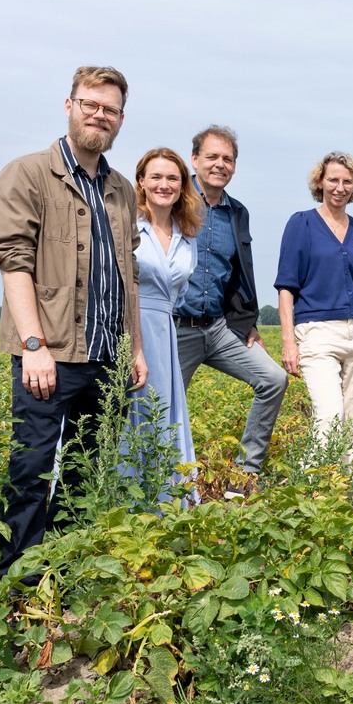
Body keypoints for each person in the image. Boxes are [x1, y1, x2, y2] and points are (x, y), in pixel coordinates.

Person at [0, 65, 146, 579]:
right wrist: (33, 344)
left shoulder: (122, 189)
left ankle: (60, 568)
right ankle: (18, 581)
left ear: (121, 119)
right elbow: (14, 262)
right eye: (90, 105)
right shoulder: (28, 174)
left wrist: (135, 349)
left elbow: (129, 277)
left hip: (107, 354)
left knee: (84, 470)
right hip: (49, 354)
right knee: (31, 469)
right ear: (69, 106)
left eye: (110, 110)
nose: (99, 116)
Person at [173, 126, 288, 487]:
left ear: (234, 166)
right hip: (175, 327)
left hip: (218, 327)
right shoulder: (173, 198)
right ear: (195, 159)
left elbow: (240, 270)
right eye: (212, 157)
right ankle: (165, 483)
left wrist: (247, 320)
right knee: (161, 408)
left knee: (273, 379)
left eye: (227, 159)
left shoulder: (237, 213)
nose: (219, 164)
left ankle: (246, 473)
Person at [276, 151, 353, 469]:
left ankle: (342, 502)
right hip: (318, 333)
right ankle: (309, 496)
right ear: (320, 183)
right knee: (329, 417)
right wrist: (287, 341)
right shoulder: (302, 223)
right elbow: (286, 287)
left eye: (347, 181)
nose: (340, 187)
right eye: (333, 179)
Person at [130, 148, 203, 503]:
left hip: (166, 330)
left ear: (182, 185)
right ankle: (126, 502)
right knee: (133, 415)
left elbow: (181, 289)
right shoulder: (127, 225)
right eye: (156, 177)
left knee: (163, 415)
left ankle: (164, 503)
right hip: (131, 328)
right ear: (141, 182)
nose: (164, 184)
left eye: (173, 178)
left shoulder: (187, 234)